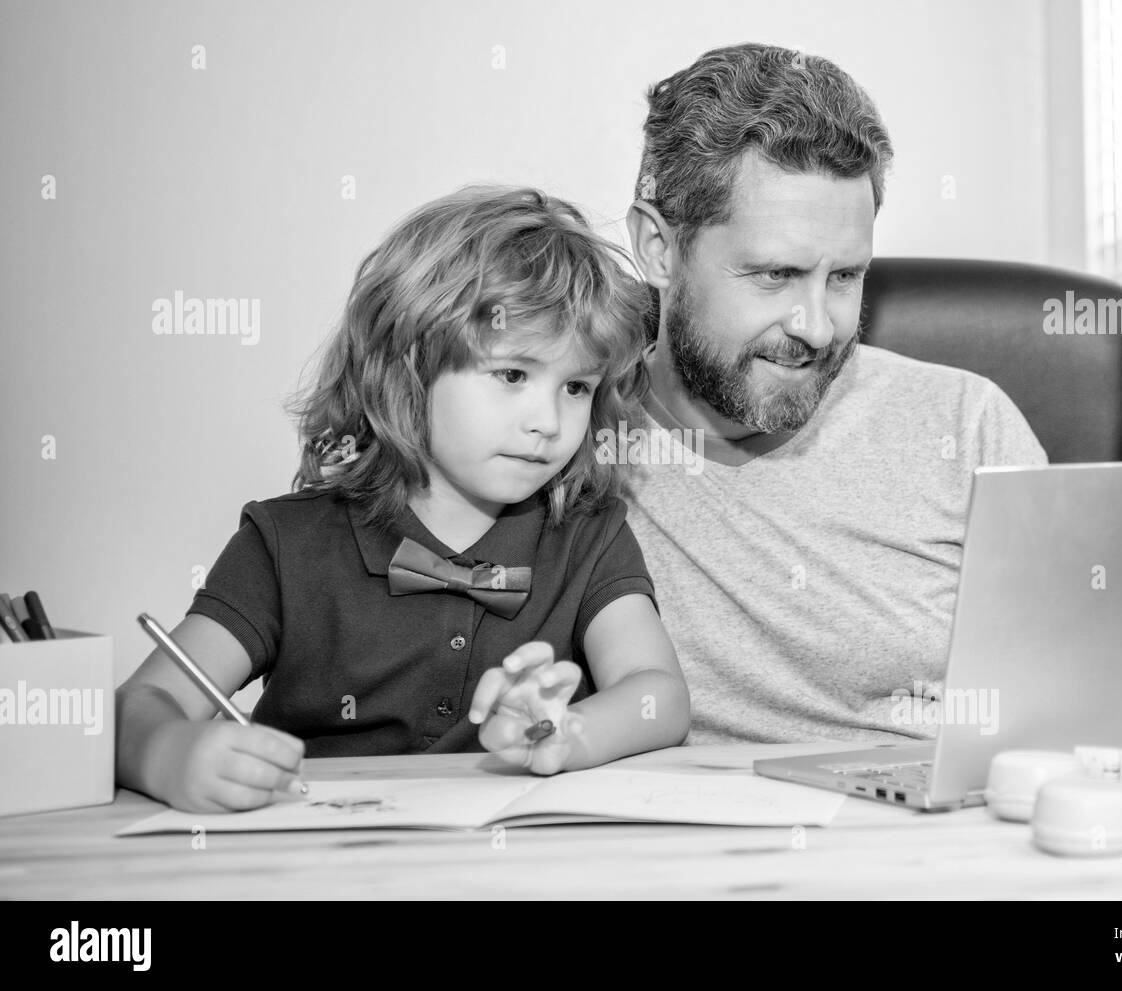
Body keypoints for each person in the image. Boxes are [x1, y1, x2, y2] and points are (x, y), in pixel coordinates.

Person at [116, 187, 689, 813]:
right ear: (408, 366)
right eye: (513, 375)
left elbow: (655, 692)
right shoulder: (285, 544)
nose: (548, 420)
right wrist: (170, 754)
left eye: (576, 386)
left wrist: (563, 732)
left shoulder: (589, 535)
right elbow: (139, 706)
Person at [621, 43, 1046, 745]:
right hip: (700, 847)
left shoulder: (966, 423)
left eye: (845, 277)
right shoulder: (560, 444)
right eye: (775, 275)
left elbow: (1078, 693)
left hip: (941, 834)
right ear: (660, 249)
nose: (816, 327)